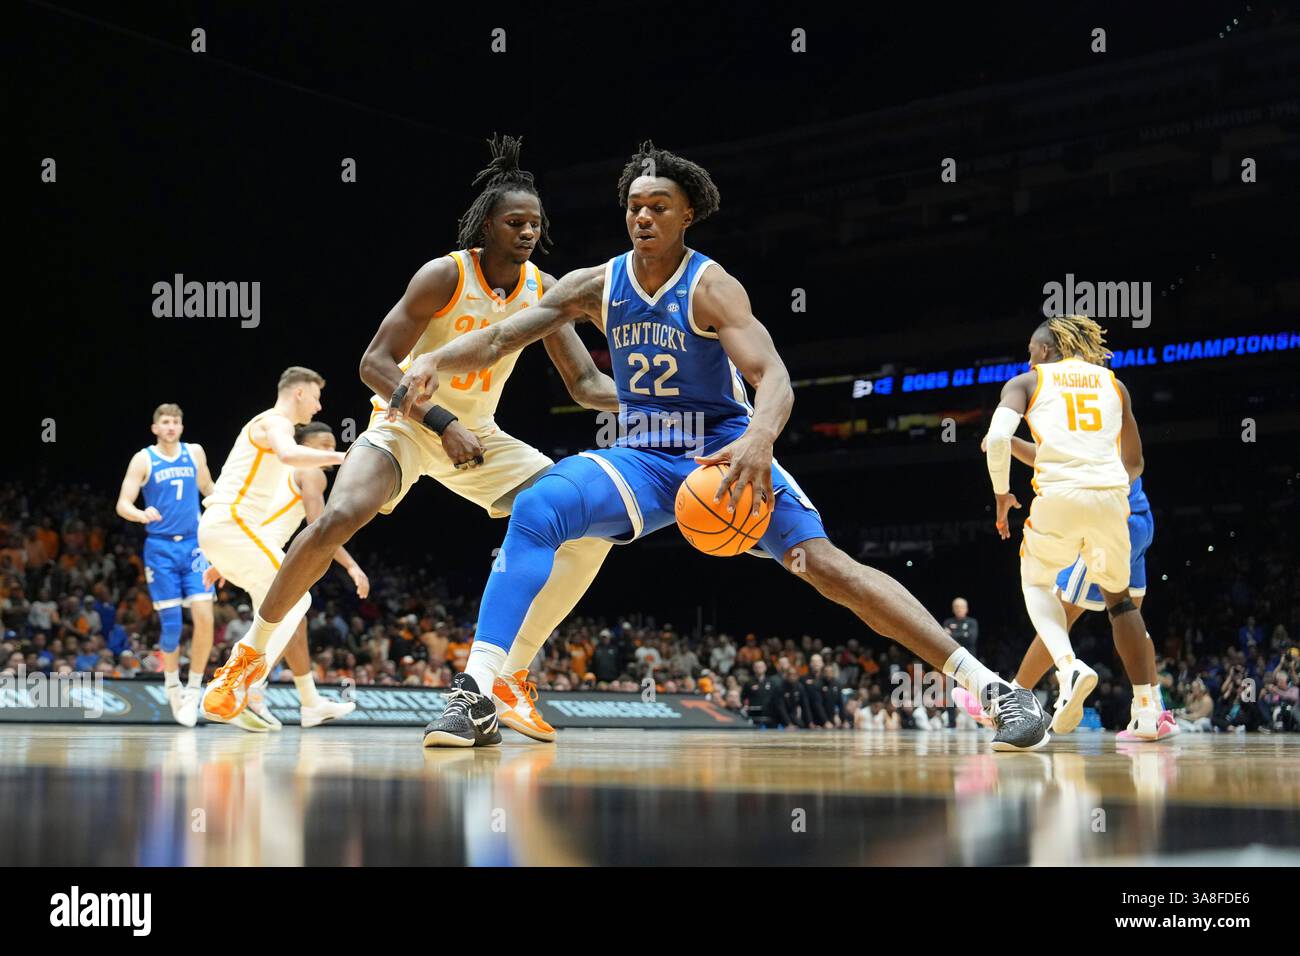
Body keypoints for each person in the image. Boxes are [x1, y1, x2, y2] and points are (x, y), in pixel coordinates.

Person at [395, 140, 1044, 751]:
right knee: (541, 507)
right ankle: (477, 692)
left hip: (726, 449)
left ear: (687, 215)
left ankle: (993, 690)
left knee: (830, 570)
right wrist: (435, 362)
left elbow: (774, 378)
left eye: (659, 207)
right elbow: (503, 337)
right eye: (635, 206)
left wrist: (760, 441)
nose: (644, 216)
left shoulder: (711, 288)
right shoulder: (597, 284)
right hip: (646, 455)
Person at [208, 136, 618, 745]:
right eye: (516, 221)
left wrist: (660, 396)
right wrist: (440, 424)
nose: (529, 231)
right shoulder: (444, 273)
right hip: (406, 425)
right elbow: (375, 363)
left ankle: (509, 676)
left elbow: (584, 384)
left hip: (480, 436)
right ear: (487, 225)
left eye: (536, 222)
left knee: (588, 521)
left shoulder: (544, 291)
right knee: (337, 517)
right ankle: (248, 659)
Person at [982, 314, 1160, 742]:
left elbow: (1000, 439)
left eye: (1030, 352)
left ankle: (1064, 671)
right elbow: (1135, 462)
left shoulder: (1029, 382)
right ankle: (1149, 710)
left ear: (1044, 350)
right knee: (1121, 605)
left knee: (1038, 585)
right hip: (1120, 505)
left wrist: (1003, 494)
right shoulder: (1114, 384)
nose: (1028, 360)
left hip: (1061, 499)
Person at [957, 442, 1178, 741]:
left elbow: (1052, 456)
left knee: (1058, 615)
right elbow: (1132, 458)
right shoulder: (1112, 398)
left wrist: (1007, 442)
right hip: (1138, 514)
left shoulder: (1062, 402)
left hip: (1104, 517)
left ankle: (1013, 698)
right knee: (1129, 618)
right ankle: (1151, 710)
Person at [197, 367, 346, 729]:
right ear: (298, 393)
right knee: (300, 596)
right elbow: (289, 453)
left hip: (234, 533)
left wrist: (227, 561)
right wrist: (345, 456)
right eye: (315, 396)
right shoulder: (275, 421)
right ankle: (237, 680)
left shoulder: (266, 425)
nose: (319, 404)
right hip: (231, 524)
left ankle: (246, 688)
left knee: (288, 604)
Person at [114, 403, 217, 726]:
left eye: (176, 422)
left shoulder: (195, 452)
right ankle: (172, 683)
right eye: (165, 422)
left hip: (194, 546)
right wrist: (139, 514)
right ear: (155, 428)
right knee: (171, 624)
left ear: (181, 428)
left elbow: (209, 489)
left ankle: (194, 688)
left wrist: (226, 515)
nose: (171, 427)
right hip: (160, 548)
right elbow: (123, 504)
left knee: (204, 617)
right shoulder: (144, 458)